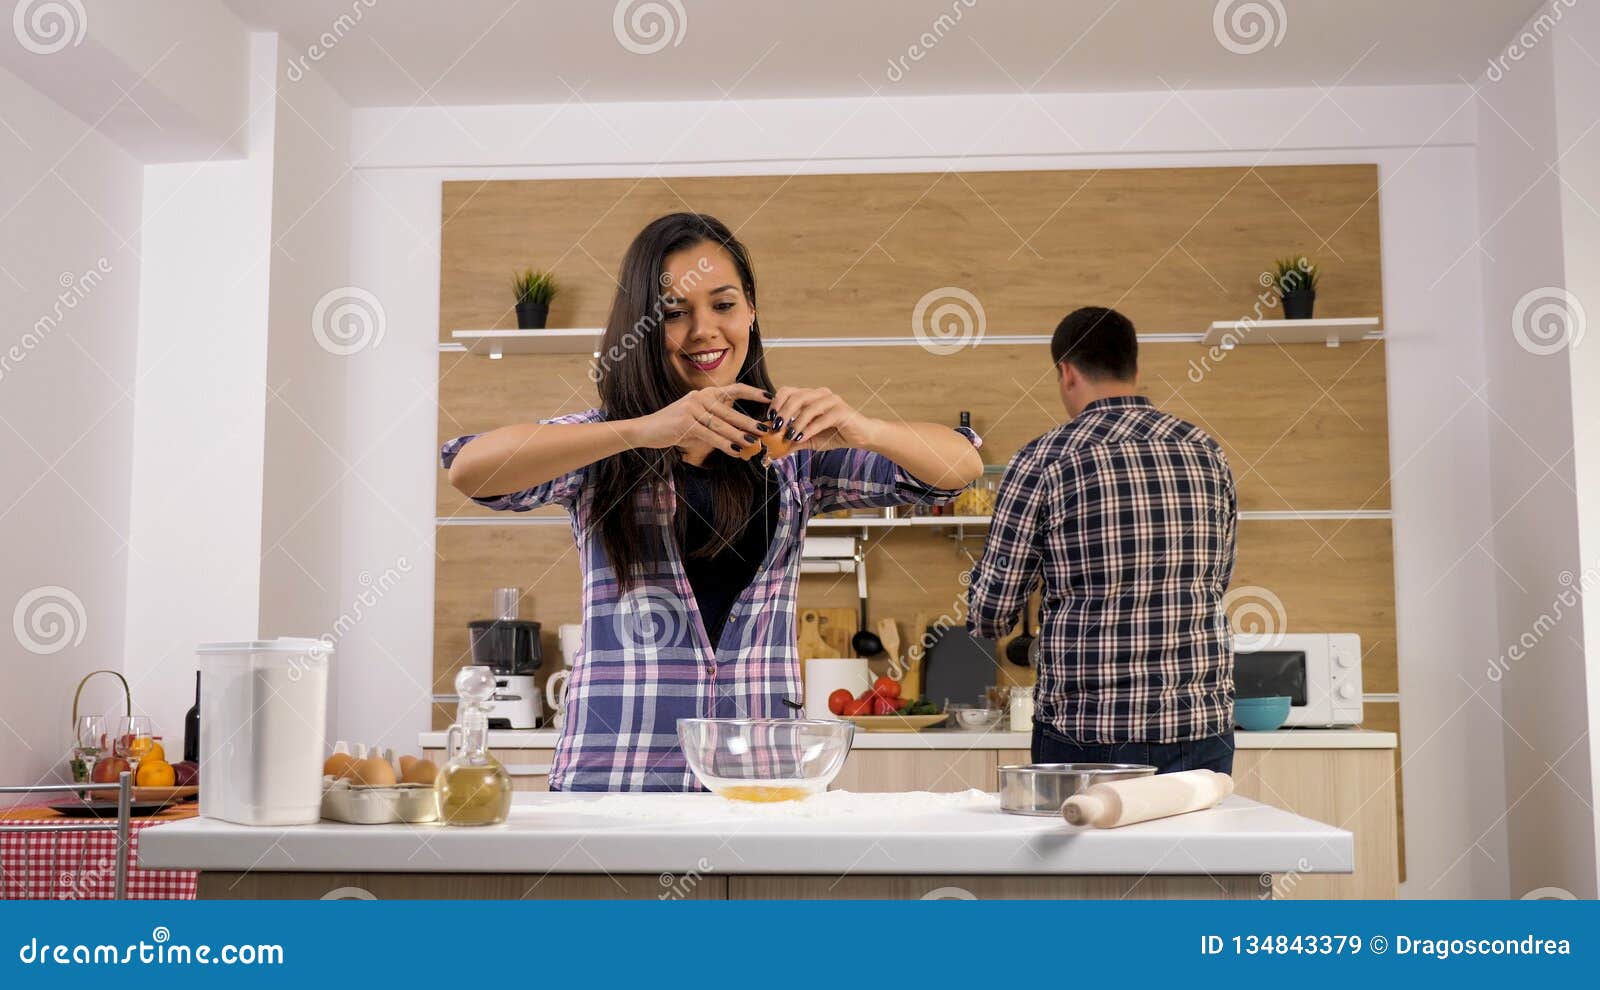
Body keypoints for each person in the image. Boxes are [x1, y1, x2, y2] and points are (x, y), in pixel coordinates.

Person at [442, 212, 984, 791]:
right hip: (615, 777)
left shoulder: (789, 448)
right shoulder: (606, 442)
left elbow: (958, 469)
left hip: (755, 781)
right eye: (674, 313)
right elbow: (471, 469)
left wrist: (863, 427)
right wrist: (642, 430)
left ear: (750, 311)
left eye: (723, 305)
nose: (704, 330)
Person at [966, 306, 1238, 774]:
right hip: (1201, 728)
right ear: (1135, 369)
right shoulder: (1206, 451)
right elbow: (1217, 580)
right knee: (1189, 849)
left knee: (1093, 849)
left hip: (1088, 733)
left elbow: (991, 614)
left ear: (1066, 373)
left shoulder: (1044, 460)